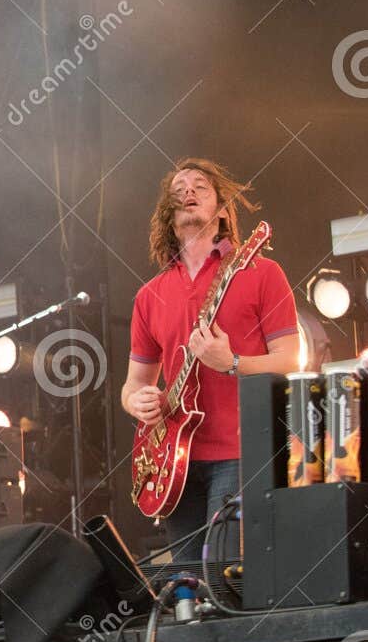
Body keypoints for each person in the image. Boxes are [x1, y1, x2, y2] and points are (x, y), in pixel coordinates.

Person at [120, 159, 298, 564]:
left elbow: (291, 359)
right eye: (179, 188)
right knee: (184, 588)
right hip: (174, 463)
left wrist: (231, 361)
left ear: (221, 211)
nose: (188, 192)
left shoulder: (261, 272)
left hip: (241, 452)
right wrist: (137, 402)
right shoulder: (150, 295)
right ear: (167, 215)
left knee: (224, 577)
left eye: (200, 186)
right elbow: (133, 384)